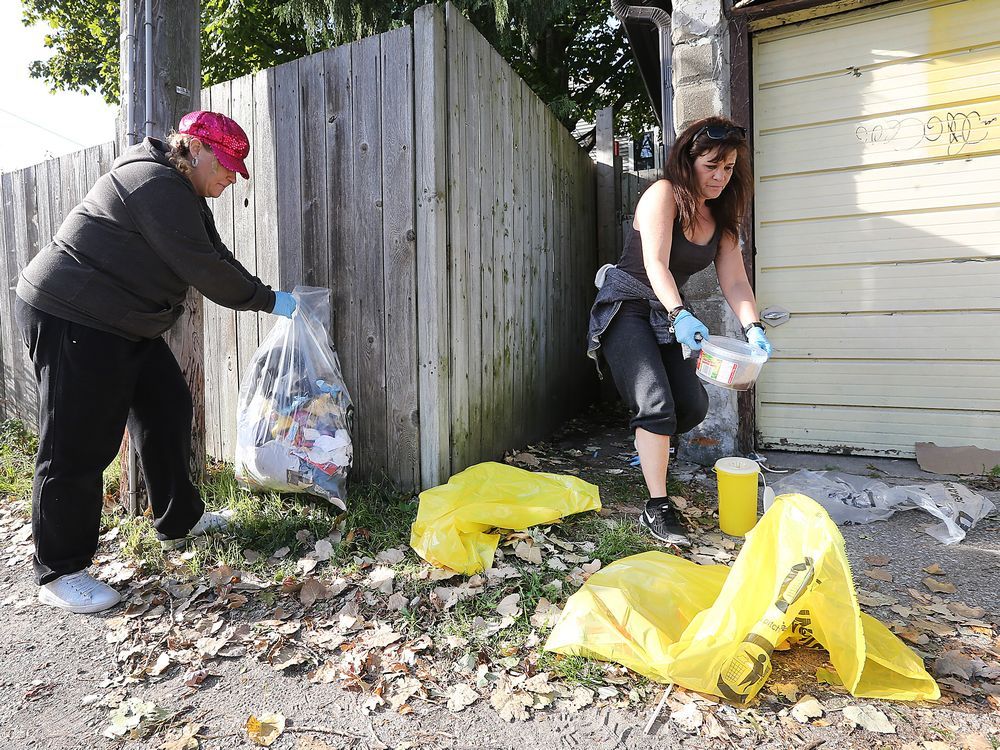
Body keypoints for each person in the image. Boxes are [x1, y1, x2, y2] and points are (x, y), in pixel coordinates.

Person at [14, 111, 298, 614]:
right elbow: (204, 269)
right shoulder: (155, 184)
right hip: (73, 312)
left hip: (124, 320)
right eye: (227, 165)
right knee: (76, 441)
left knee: (166, 406)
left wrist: (266, 293)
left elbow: (216, 254)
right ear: (193, 148)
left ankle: (178, 519)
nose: (232, 177)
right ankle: (60, 569)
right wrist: (268, 301)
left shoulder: (180, 191)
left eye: (237, 169)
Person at [587, 116, 772, 547]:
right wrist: (680, 314)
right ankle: (658, 506)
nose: (720, 177)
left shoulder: (722, 218)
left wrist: (753, 327)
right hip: (629, 304)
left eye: (728, 168)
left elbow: (736, 281)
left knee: (691, 405)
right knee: (655, 405)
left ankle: (647, 439)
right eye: (711, 166)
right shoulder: (663, 194)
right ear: (688, 162)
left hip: (668, 311)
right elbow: (654, 262)